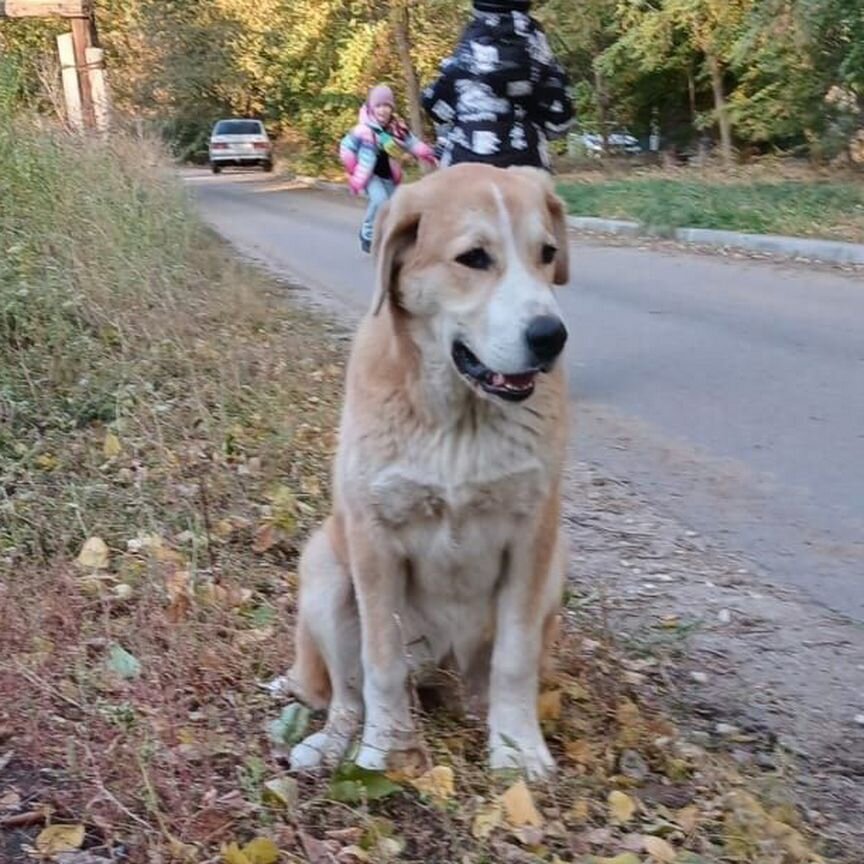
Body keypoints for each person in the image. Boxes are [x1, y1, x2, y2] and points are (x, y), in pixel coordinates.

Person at [422, 0, 573, 171]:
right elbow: (560, 122)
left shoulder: (463, 57)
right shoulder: (540, 54)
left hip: (464, 170)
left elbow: (433, 105)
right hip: (525, 171)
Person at [340, 84, 437, 253]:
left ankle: (389, 239)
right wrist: (353, 169)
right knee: (379, 200)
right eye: (379, 106)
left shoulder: (397, 128)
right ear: (371, 107)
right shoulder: (362, 130)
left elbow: (412, 143)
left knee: (393, 207)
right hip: (370, 175)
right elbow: (346, 147)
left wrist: (428, 153)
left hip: (390, 175)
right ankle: (367, 233)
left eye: (387, 106)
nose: (383, 110)